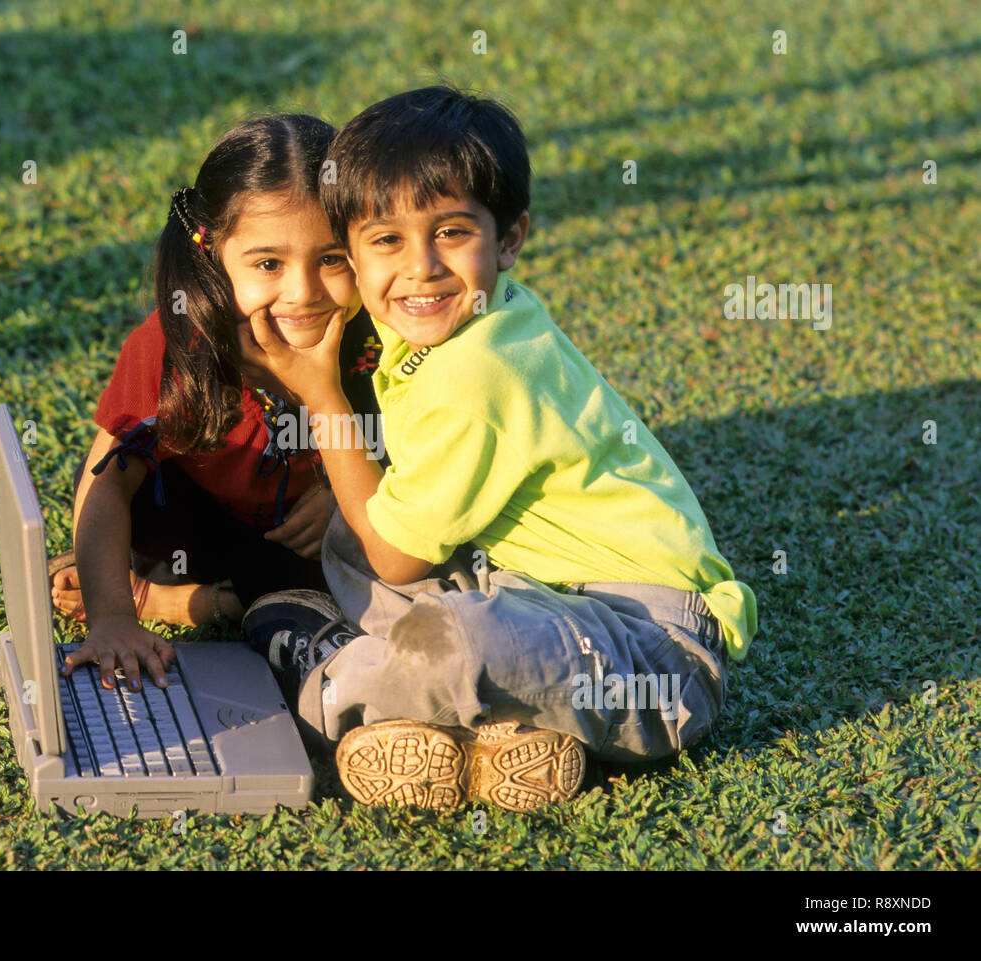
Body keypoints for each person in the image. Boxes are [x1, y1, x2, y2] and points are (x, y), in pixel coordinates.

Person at [240, 86, 758, 813]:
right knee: (359, 531)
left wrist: (321, 397)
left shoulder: (477, 371)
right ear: (353, 255)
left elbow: (398, 560)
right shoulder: (460, 319)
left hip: (653, 653)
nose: (420, 267)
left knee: (462, 635)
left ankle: (328, 673)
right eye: (386, 240)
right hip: (533, 593)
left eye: (451, 233)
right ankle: (510, 737)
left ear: (509, 238)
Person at [57, 114, 383, 694]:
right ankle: (184, 597)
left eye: (332, 259)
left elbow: (434, 462)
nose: (304, 292)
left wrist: (342, 499)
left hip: (330, 547)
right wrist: (111, 619)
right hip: (198, 536)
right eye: (268, 264)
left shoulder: (387, 337)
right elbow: (106, 480)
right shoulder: (174, 343)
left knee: (344, 589)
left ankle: (194, 604)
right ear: (210, 252)